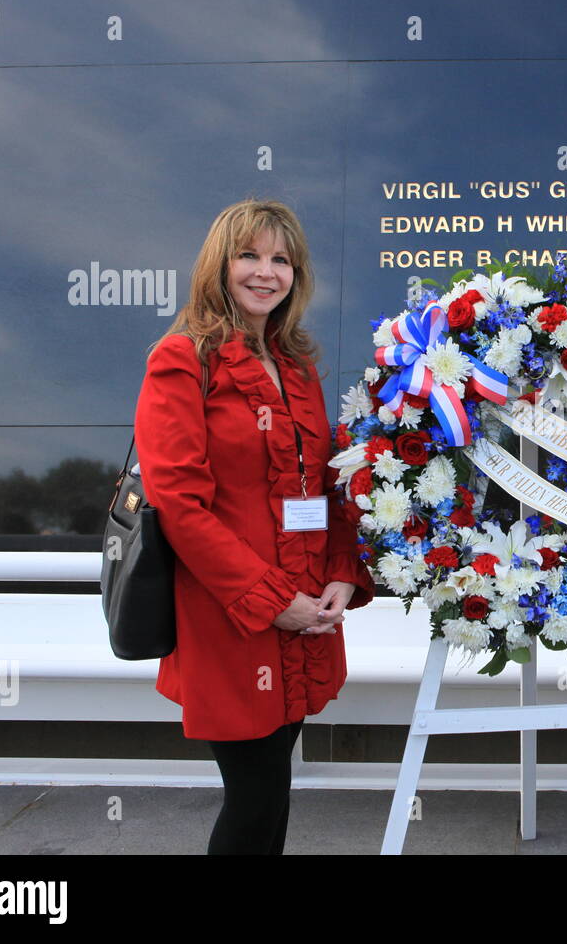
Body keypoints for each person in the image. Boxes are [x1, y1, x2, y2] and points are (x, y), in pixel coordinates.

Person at [134, 199, 373, 854]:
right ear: (220, 262)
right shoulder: (180, 360)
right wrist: (274, 604)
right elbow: (180, 504)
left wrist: (341, 578)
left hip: (306, 608)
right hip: (230, 616)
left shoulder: (295, 366)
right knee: (254, 793)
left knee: (273, 791)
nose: (265, 272)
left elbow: (326, 482)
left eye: (281, 259)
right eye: (250, 255)